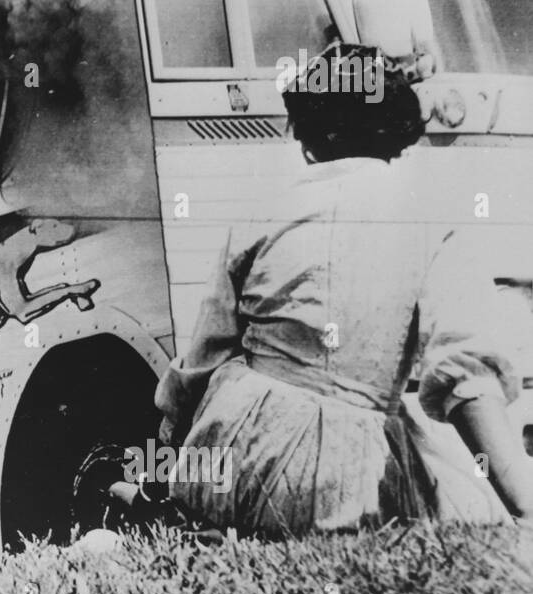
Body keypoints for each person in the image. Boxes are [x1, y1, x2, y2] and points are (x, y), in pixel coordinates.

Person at [154, 43, 533, 535]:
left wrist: (167, 463)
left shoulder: (261, 209)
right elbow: (468, 379)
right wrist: (523, 504)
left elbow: (203, 362)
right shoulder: (427, 216)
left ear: (308, 133)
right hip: (345, 477)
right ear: (398, 129)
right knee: (454, 505)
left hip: (238, 459)